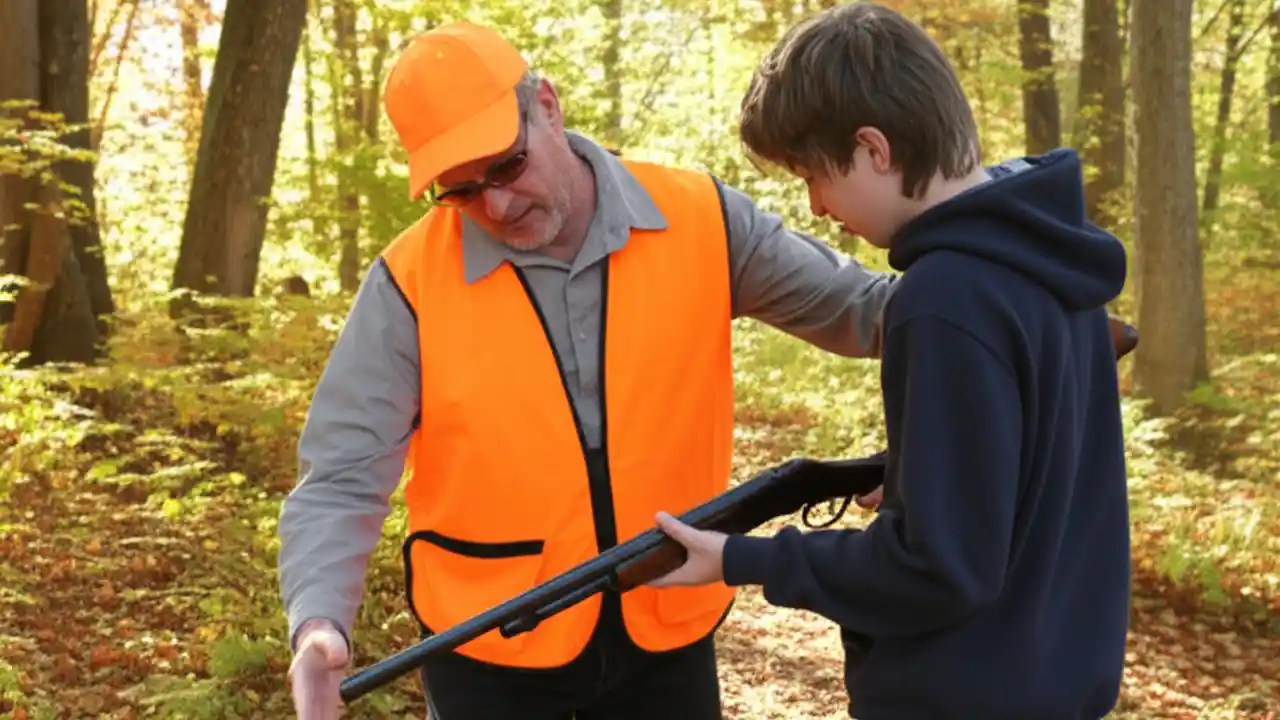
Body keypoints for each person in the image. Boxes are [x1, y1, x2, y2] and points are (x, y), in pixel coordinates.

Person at [277, 20, 898, 720]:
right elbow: (339, 478)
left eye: (508, 165)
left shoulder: (702, 220)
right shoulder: (407, 284)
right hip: (488, 648)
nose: (498, 204)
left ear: (546, 104)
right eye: (461, 190)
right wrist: (319, 621)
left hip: (668, 620)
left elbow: (879, 314)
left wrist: (994, 250)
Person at [651, 3, 1132, 719]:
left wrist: (740, 559)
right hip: (1059, 687)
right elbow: (1031, 477)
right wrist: (920, 474)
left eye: (814, 175)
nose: (815, 207)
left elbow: (937, 570)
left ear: (874, 149)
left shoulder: (943, 299)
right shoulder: (1051, 266)